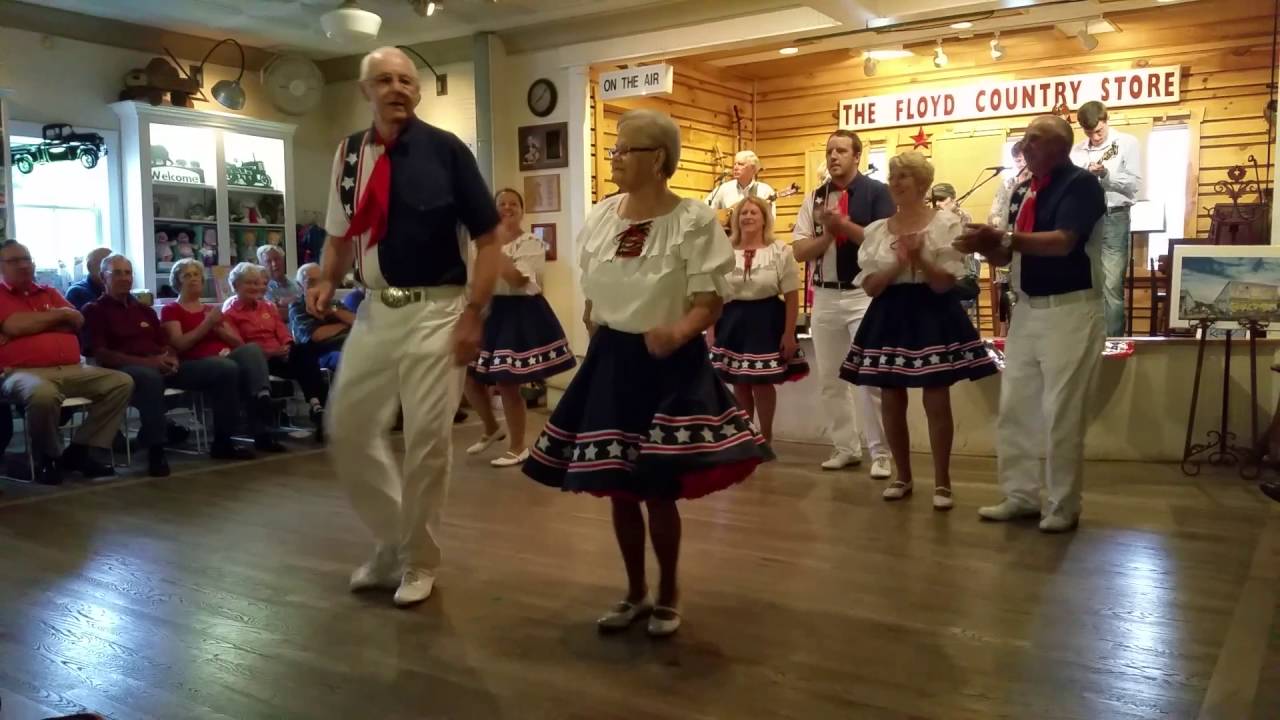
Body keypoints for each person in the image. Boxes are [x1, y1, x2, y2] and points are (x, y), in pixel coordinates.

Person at [523, 108, 772, 637]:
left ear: (657, 158)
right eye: (613, 148)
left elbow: (708, 302)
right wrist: (594, 318)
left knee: (657, 487)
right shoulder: (603, 216)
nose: (613, 157)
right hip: (614, 360)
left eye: (623, 149)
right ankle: (633, 591)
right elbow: (596, 285)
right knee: (617, 484)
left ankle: (667, 591)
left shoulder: (694, 221)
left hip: (668, 363)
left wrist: (677, 333)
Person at [307, 47, 505, 608]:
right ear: (365, 90)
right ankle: (395, 540)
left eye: (406, 80)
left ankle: (419, 558)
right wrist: (326, 278)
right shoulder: (348, 155)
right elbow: (340, 237)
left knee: (426, 442)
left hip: (438, 310)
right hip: (374, 309)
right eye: (384, 80)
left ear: (417, 92)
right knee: (346, 427)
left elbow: (489, 240)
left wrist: (474, 313)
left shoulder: (447, 152)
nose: (397, 88)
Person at [955, 115, 1106, 533]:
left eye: (1036, 140)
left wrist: (1002, 238)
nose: (1026, 146)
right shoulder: (1024, 189)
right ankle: (1019, 495)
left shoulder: (1082, 185)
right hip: (1026, 310)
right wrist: (985, 245)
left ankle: (1062, 504)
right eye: (1025, 139)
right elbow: (1009, 257)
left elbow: (1063, 242)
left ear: (1061, 146)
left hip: (1071, 310)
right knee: (1015, 408)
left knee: (1062, 412)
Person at [840, 152, 998, 510]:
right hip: (890, 311)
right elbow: (871, 287)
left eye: (905, 176)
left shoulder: (944, 224)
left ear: (922, 184)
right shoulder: (879, 230)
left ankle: (942, 482)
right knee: (891, 397)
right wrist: (899, 261)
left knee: (936, 396)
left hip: (931, 309)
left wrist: (920, 258)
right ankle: (902, 475)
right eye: (894, 176)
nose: (896, 183)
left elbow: (946, 283)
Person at [82, 255, 252, 476]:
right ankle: (156, 449)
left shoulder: (145, 311)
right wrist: (149, 362)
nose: (124, 278)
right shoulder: (94, 310)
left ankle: (223, 441)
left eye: (128, 272)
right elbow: (102, 354)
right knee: (150, 377)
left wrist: (170, 356)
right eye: (117, 273)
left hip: (162, 365)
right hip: (124, 370)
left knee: (225, 369)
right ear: (103, 277)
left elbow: (166, 344)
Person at [792, 130, 894, 477]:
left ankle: (881, 454)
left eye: (841, 151)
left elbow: (880, 239)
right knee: (831, 377)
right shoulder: (816, 197)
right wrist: (826, 234)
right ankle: (845, 447)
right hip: (824, 295)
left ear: (857, 156)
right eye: (829, 151)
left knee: (868, 377)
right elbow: (799, 250)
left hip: (861, 294)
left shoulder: (877, 193)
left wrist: (843, 226)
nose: (833, 157)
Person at [0, 240, 131, 484]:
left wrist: (37, 322)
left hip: (71, 369)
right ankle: (48, 457)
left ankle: (80, 450)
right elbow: (13, 325)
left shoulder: (48, 291)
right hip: (20, 373)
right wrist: (58, 317)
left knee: (121, 382)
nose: (22, 265)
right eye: (14, 261)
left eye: (26, 259)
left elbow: (78, 320)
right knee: (42, 394)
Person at [462, 188, 575, 467]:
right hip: (490, 311)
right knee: (468, 374)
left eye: (514, 204)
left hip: (519, 313)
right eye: (501, 203)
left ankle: (518, 446)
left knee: (507, 381)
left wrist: (493, 250)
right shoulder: (476, 244)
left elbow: (517, 280)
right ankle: (491, 427)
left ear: (522, 211)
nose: (507, 208)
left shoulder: (531, 243)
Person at [707, 195, 807, 443]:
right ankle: (746, 437)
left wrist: (788, 333)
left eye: (754, 213)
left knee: (762, 382)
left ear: (764, 219)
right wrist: (710, 329)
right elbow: (714, 294)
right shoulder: (724, 251)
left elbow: (792, 296)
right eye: (743, 213)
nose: (748, 217)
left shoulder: (780, 251)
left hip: (766, 321)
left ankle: (766, 437)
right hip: (732, 321)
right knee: (740, 384)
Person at [159, 258, 280, 455]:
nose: (193, 279)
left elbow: (238, 343)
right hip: (190, 364)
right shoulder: (171, 309)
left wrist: (219, 328)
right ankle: (223, 442)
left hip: (222, 359)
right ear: (177, 281)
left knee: (251, 350)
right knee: (228, 368)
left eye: (196, 274)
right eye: (187, 275)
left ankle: (263, 400)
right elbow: (179, 344)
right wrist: (207, 324)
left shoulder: (210, 310)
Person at [223, 262, 328, 442]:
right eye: (249, 283)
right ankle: (313, 409)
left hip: (281, 356)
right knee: (303, 363)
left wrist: (286, 346)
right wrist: (273, 352)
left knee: (305, 352)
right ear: (235, 285)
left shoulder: (268, 306)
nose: (255, 287)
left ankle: (316, 407)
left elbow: (281, 330)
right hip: (257, 362)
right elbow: (239, 345)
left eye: (257, 283)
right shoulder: (229, 310)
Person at [1071, 101, 1141, 337]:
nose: (1095, 136)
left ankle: (1112, 342)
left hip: (1114, 217)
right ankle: (1088, 340)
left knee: (1111, 285)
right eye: (1089, 132)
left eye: (1099, 131)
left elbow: (1133, 186)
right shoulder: (1076, 151)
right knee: (1087, 283)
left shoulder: (1127, 143)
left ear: (1106, 120)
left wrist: (1106, 175)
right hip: (1086, 221)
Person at [988, 141, 1031, 335]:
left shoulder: (1038, 180)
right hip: (1009, 244)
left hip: (1030, 245)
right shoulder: (1007, 184)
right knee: (1006, 296)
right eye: (1016, 161)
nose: (1020, 164)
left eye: (1022, 159)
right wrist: (999, 222)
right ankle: (1007, 336)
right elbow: (993, 214)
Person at [289, 263, 353, 373]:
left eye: (321, 280)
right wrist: (345, 324)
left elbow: (356, 321)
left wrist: (333, 310)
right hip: (322, 354)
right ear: (300, 286)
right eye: (312, 282)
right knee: (349, 359)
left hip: (348, 344)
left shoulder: (333, 304)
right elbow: (316, 335)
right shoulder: (298, 306)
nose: (318, 285)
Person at [706, 150, 776, 216]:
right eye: (735, 164)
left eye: (740, 164)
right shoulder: (724, 188)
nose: (735, 167)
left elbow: (771, 219)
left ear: (753, 168)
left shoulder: (765, 191)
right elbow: (706, 208)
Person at [258, 245, 301, 310]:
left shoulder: (297, 284)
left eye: (276, 259)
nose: (274, 264)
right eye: (268, 261)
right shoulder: (261, 289)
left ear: (283, 260)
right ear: (262, 265)